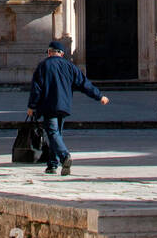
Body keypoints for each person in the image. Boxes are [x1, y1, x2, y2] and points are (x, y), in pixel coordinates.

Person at [27, 40, 109, 175]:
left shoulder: (43, 66)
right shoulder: (69, 66)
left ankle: (65, 156)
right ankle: (52, 165)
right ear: (62, 54)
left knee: (53, 133)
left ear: (49, 52)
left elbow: (36, 89)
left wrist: (31, 106)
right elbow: (84, 84)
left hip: (49, 105)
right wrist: (99, 96)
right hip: (64, 106)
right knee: (56, 133)